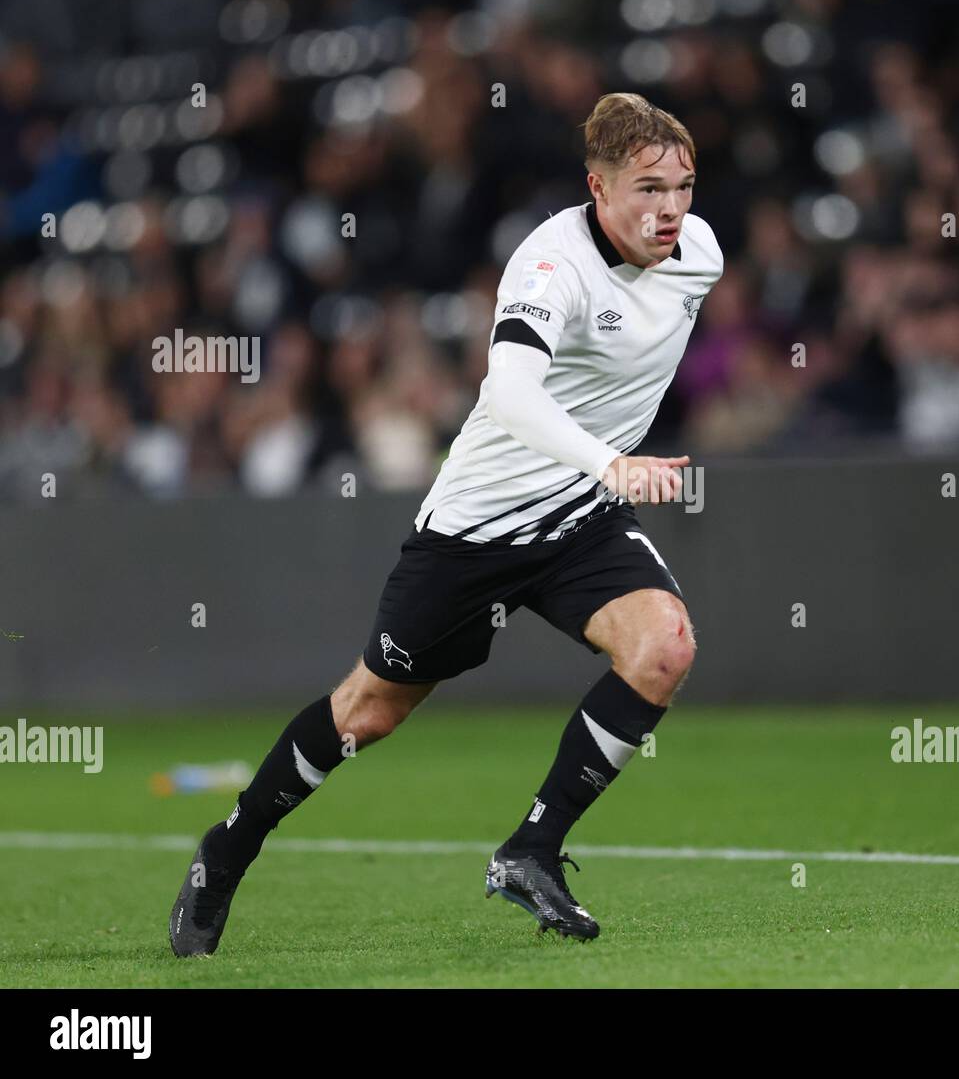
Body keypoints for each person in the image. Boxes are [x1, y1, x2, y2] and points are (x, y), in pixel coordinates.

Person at [169, 92, 724, 953]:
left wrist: (603, 473)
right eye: (648, 188)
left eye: (683, 186)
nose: (670, 208)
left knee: (666, 647)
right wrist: (611, 460)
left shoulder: (701, 255)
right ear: (598, 188)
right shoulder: (551, 263)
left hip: (578, 516)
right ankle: (227, 850)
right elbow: (507, 390)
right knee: (368, 712)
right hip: (477, 526)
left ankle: (531, 848)